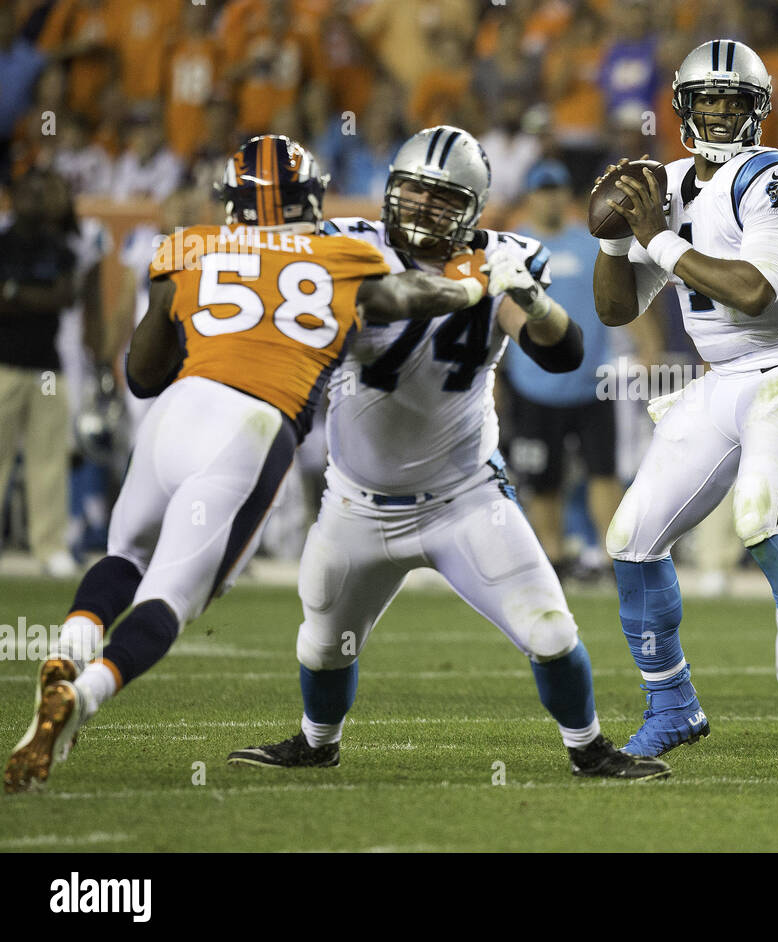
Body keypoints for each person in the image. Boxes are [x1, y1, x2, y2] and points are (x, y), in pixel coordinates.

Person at [5, 134, 490, 792]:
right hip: (253, 424)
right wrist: (472, 287)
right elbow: (409, 300)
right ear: (308, 200)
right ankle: (83, 698)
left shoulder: (185, 246)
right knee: (175, 597)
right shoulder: (342, 255)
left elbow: (143, 376)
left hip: (175, 412)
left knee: (123, 553)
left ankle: (66, 652)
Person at [227, 127, 668, 781]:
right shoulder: (346, 247)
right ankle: (318, 741)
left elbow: (561, 351)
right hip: (357, 501)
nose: (423, 210)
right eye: (412, 194)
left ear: (473, 209)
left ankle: (590, 748)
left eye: (443, 201)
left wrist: (530, 298)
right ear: (388, 191)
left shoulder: (507, 256)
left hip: (465, 498)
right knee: (322, 645)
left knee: (549, 632)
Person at [593, 38, 778, 768]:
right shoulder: (671, 184)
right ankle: (673, 704)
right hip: (722, 377)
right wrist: (614, 240)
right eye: (708, 102)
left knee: (761, 523)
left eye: (734, 103)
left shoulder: (772, 173)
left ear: (758, 111)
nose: (720, 116)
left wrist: (654, 236)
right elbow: (618, 311)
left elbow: (757, 292)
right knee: (630, 538)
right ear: (684, 108)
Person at [503, 159, 622, 579]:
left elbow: (625, 298)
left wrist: (650, 347)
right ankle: (552, 557)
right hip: (533, 386)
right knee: (543, 479)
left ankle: (611, 557)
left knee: (604, 472)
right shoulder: (513, 248)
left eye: (557, 189)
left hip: (592, 384)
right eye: (543, 189)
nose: (551, 197)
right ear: (530, 197)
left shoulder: (593, 244)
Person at [0, 169, 79, 577]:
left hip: (47, 365)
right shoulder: (3, 242)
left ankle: (50, 545)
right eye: (25, 193)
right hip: (5, 364)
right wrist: (36, 297)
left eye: (38, 194)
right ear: (12, 198)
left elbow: (65, 298)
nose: (33, 201)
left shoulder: (59, 246)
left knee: (48, 458)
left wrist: (15, 292)